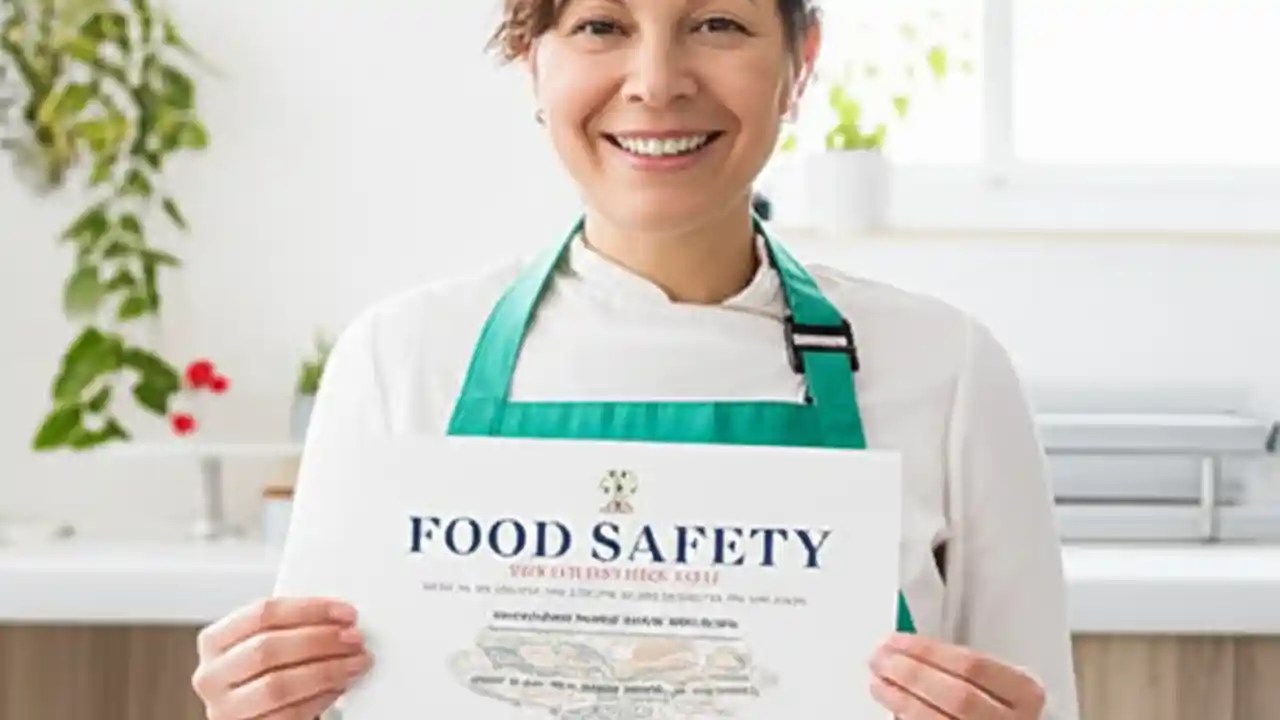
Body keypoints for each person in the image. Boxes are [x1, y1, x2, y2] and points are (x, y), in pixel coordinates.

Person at [190, 1, 1080, 718]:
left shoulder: (949, 371)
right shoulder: (398, 360)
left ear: (801, 56)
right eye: (601, 26)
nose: (656, 83)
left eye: (718, 24)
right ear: (534, 56)